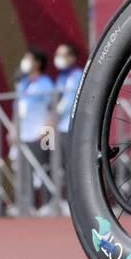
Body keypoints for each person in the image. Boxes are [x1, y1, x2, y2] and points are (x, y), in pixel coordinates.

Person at [15, 46, 56, 214]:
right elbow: (17, 108)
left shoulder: (46, 83)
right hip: (25, 134)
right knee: (26, 171)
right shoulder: (23, 83)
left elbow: (52, 108)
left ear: (37, 63)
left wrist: (47, 128)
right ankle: (29, 205)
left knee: (45, 167)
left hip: (45, 132)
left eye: (28, 58)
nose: (24, 62)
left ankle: (49, 203)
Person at [52, 42, 82, 208]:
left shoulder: (77, 75)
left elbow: (67, 101)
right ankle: (63, 200)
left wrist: (53, 116)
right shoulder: (60, 78)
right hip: (59, 129)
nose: (59, 59)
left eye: (63, 55)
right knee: (61, 165)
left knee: (74, 165)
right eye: (58, 55)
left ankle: (76, 200)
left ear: (72, 57)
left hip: (72, 128)